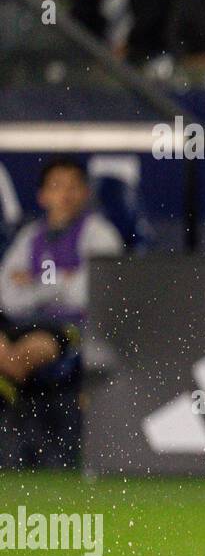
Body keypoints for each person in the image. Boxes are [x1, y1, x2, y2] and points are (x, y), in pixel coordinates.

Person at [0, 157, 123, 402]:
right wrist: (62, 279)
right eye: (56, 186)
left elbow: (91, 292)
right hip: (18, 325)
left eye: (72, 187)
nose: (65, 195)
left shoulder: (100, 234)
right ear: (43, 196)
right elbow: (8, 297)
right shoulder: (29, 237)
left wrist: (35, 281)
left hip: (68, 329)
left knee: (25, 354)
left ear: (85, 193)